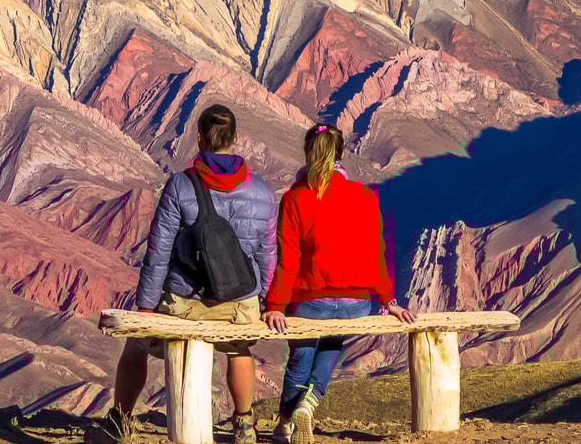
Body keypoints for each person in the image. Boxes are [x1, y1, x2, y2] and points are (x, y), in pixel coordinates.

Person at [89, 104, 277, 444]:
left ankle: (119, 420)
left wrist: (146, 307)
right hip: (239, 305)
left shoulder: (180, 186)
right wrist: (264, 300)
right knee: (239, 352)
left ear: (200, 138)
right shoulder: (262, 191)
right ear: (235, 139)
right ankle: (245, 424)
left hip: (184, 303)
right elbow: (266, 254)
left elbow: (158, 252)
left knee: (135, 346)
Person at [263, 122, 416, 444]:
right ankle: (311, 401)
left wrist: (275, 306)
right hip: (357, 302)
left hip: (311, 299)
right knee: (332, 343)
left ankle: (284, 426)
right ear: (341, 153)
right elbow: (377, 251)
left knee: (301, 357)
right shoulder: (363, 195)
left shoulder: (294, 199)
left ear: (308, 152)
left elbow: (288, 259)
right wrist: (388, 300)